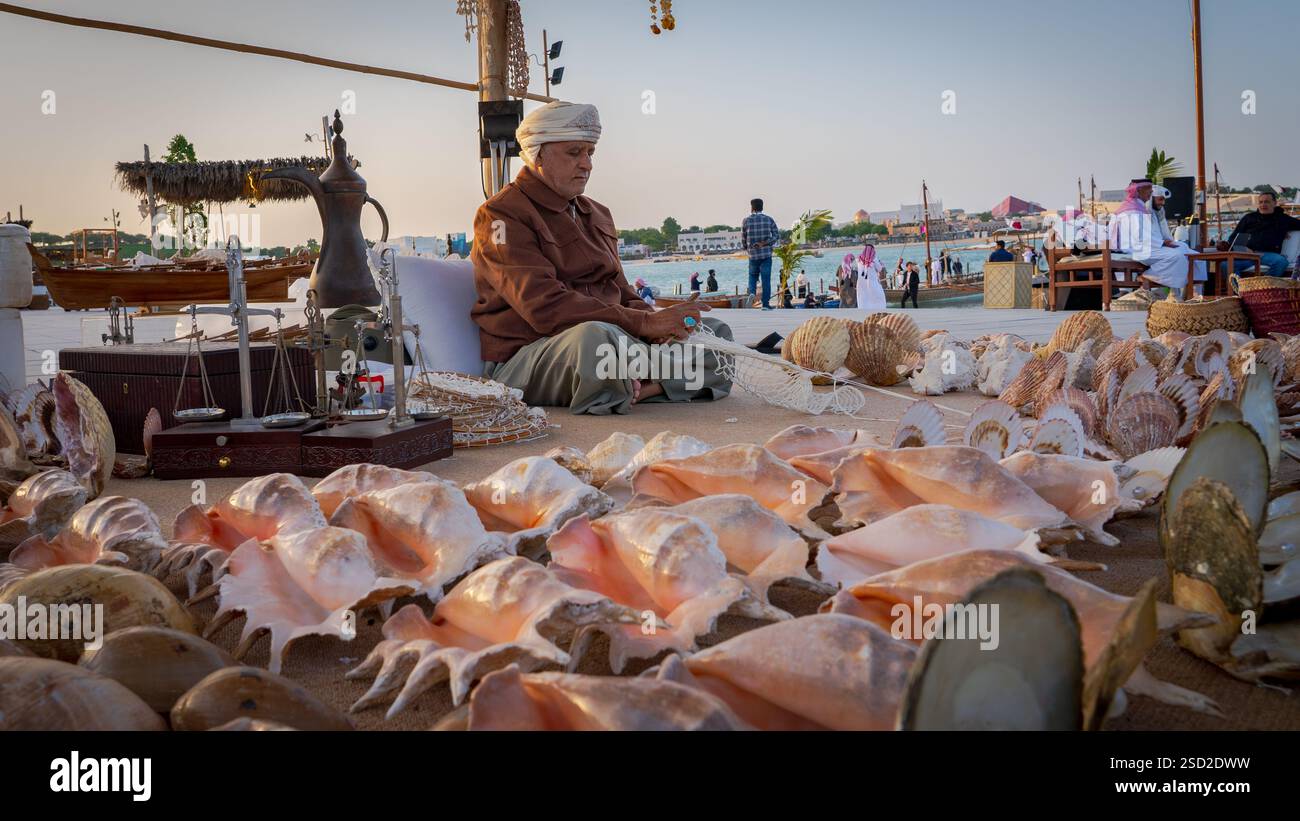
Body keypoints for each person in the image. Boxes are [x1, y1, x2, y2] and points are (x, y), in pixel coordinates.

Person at [470, 100, 732, 414]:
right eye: (574, 153)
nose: (587, 164)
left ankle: (642, 389)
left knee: (716, 334)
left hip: (615, 341)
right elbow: (545, 308)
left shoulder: (597, 214)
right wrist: (645, 323)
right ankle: (640, 380)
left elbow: (622, 291)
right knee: (593, 340)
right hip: (532, 357)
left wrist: (661, 327)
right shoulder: (500, 215)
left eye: (590, 153)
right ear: (537, 153)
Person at [1109, 178, 1205, 295]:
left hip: (1146, 245)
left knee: (1194, 255)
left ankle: (1196, 295)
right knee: (1177, 256)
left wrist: (1165, 242)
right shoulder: (1132, 210)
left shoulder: (1138, 208)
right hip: (1135, 249)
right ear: (1138, 191)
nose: (1150, 193)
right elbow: (1138, 237)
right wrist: (1162, 243)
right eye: (1148, 190)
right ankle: (1149, 277)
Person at [1219, 191, 1300, 277]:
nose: (1263, 205)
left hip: (1267, 255)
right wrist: (1244, 249)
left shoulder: (1283, 219)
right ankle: (1240, 289)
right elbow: (1233, 238)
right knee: (1225, 265)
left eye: (1266, 202)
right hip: (1248, 254)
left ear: (1274, 203)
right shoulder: (1249, 218)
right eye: (1260, 202)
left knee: (1281, 262)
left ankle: (1264, 287)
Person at [742, 197, 780, 310]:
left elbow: (743, 238)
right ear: (762, 207)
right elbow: (776, 236)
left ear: (752, 208)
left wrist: (748, 249)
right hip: (766, 255)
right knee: (766, 280)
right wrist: (764, 243)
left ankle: (752, 293)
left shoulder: (746, 221)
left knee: (752, 276)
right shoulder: (769, 219)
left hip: (753, 255)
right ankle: (766, 304)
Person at [856, 243, 887, 310]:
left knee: (863, 297)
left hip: (861, 283)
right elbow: (879, 269)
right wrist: (881, 263)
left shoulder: (858, 259)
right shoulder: (874, 259)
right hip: (872, 281)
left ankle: (863, 309)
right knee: (878, 296)